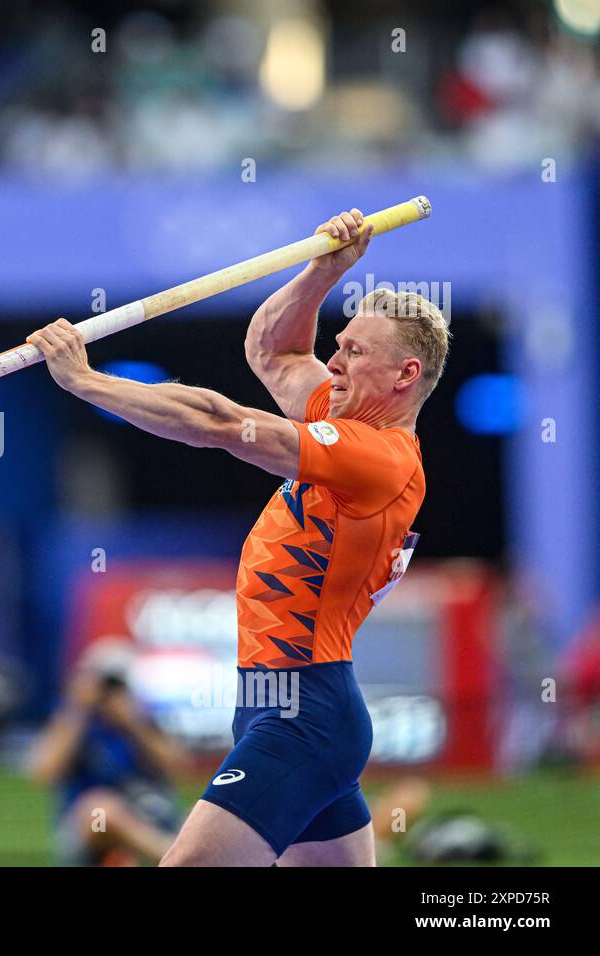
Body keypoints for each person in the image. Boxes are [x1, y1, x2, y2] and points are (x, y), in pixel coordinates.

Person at [27, 209, 451, 866]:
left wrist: (85, 381)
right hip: (276, 704)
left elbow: (221, 422)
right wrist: (324, 271)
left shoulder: (380, 456)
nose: (333, 359)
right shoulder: (339, 416)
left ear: (404, 376)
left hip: (302, 716)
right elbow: (273, 351)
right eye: (337, 345)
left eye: (354, 351)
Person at [27, 641, 188, 866]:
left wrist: (134, 724)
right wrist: (79, 710)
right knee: (103, 811)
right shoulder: (74, 719)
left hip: (151, 815)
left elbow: (178, 768)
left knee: (207, 815)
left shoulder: (146, 715)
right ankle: (177, 858)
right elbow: (42, 772)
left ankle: (171, 854)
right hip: (93, 830)